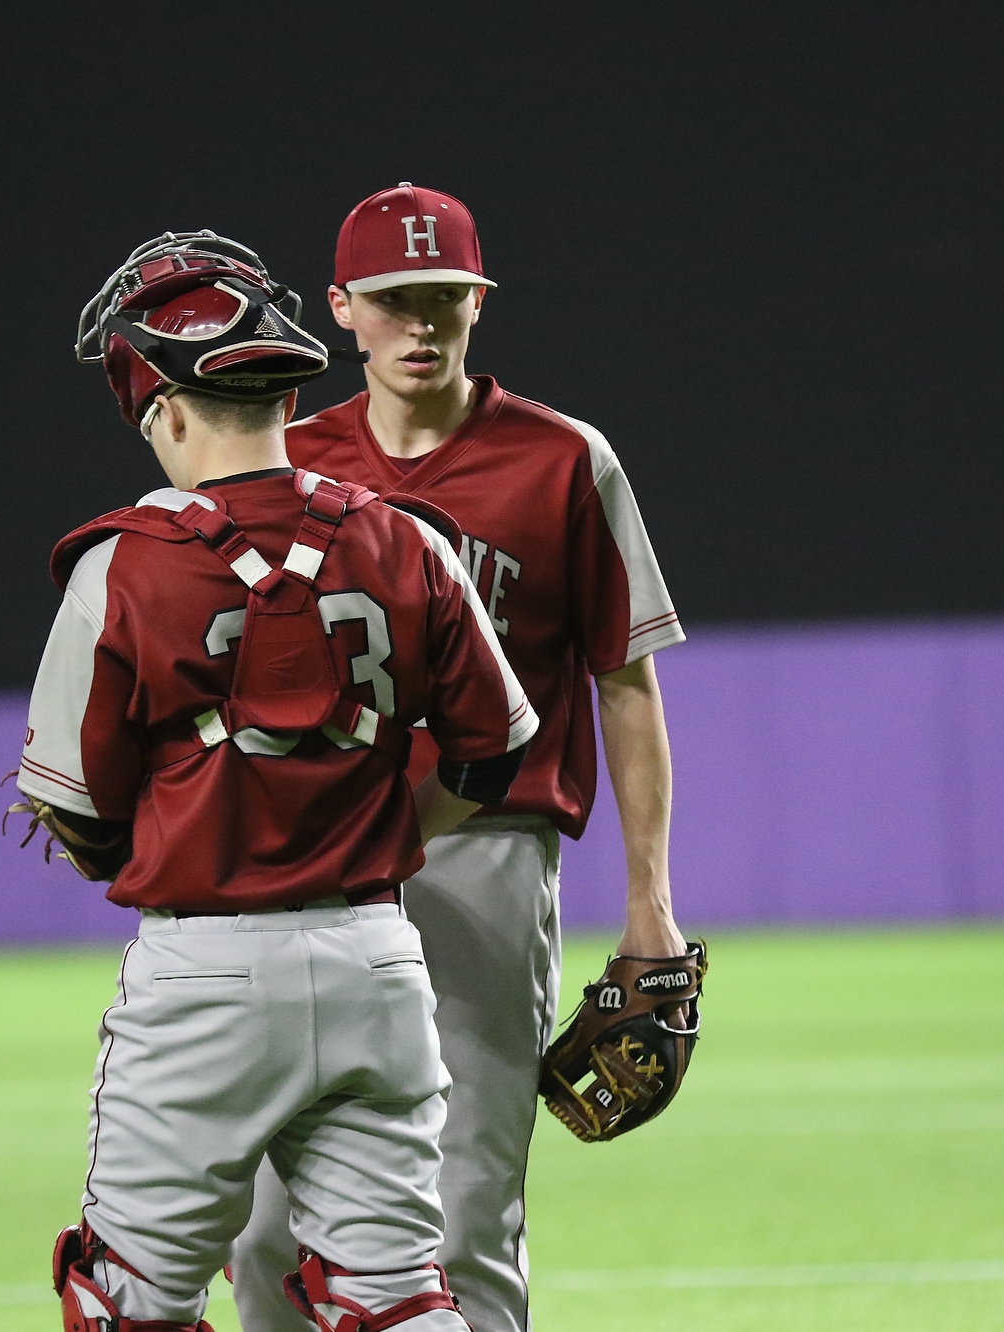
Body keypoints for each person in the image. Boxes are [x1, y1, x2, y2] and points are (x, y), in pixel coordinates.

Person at [12, 230, 538, 1332]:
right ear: (286, 393)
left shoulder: (121, 564)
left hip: (202, 970)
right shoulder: (408, 541)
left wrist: (194, 840)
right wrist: (382, 830)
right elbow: (493, 753)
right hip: (377, 960)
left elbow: (76, 810)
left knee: (126, 1302)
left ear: (162, 411)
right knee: (396, 1299)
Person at [231, 185, 690, 1332]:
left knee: (466, 1206)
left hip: (485, 856)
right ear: (343, 309)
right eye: (394, 300)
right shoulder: (283, 464)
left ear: (478, 303)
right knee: (265, 1226)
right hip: (313, 866)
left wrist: (649, 905)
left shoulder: (564, 460)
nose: (420, 322)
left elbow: (624, 685)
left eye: (443, 295)